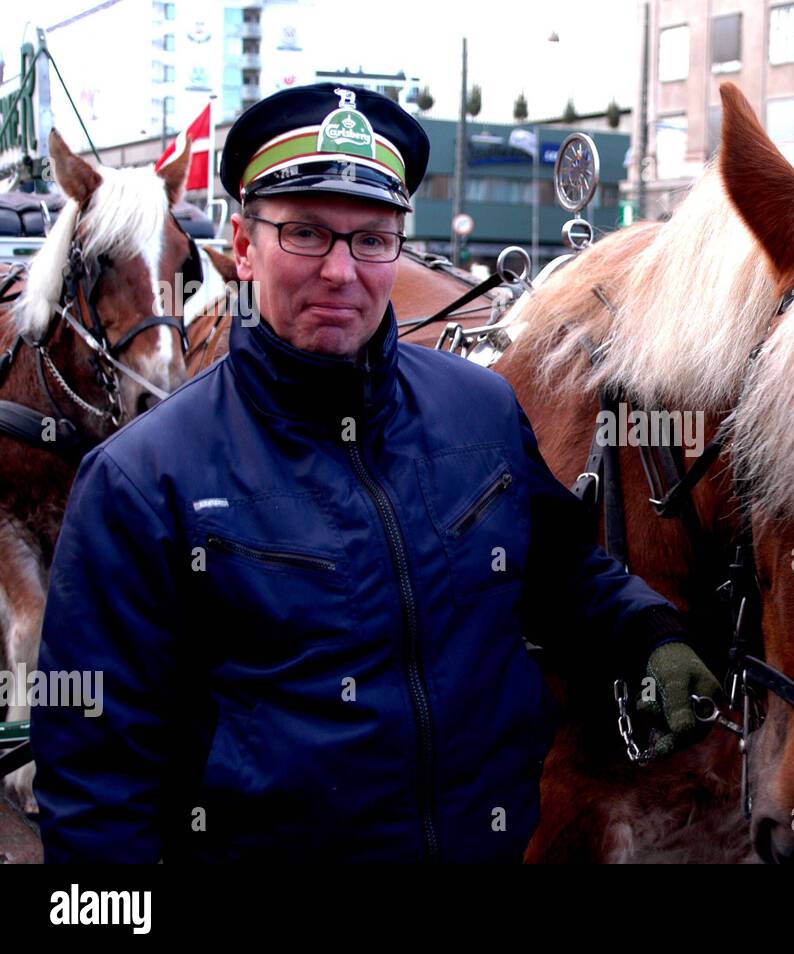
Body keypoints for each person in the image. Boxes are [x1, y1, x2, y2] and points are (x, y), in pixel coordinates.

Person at [32, 84, 721, 863]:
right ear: (243, 245)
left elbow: (560, 569)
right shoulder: (139, 481)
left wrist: (646, 630)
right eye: (305, 234)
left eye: (371, 239)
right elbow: (95, 791)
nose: (340, 271)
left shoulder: (481, 412)